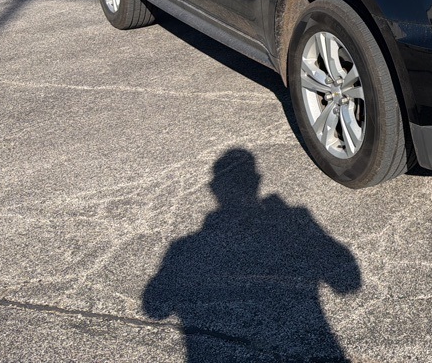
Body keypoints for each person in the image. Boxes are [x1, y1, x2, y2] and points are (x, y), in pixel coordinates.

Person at [143, 149, 360, 361]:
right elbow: (348, 283)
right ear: (257, 180)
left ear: (214, 188)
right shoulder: (294, 220)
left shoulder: (183, 247)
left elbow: (154, 308)